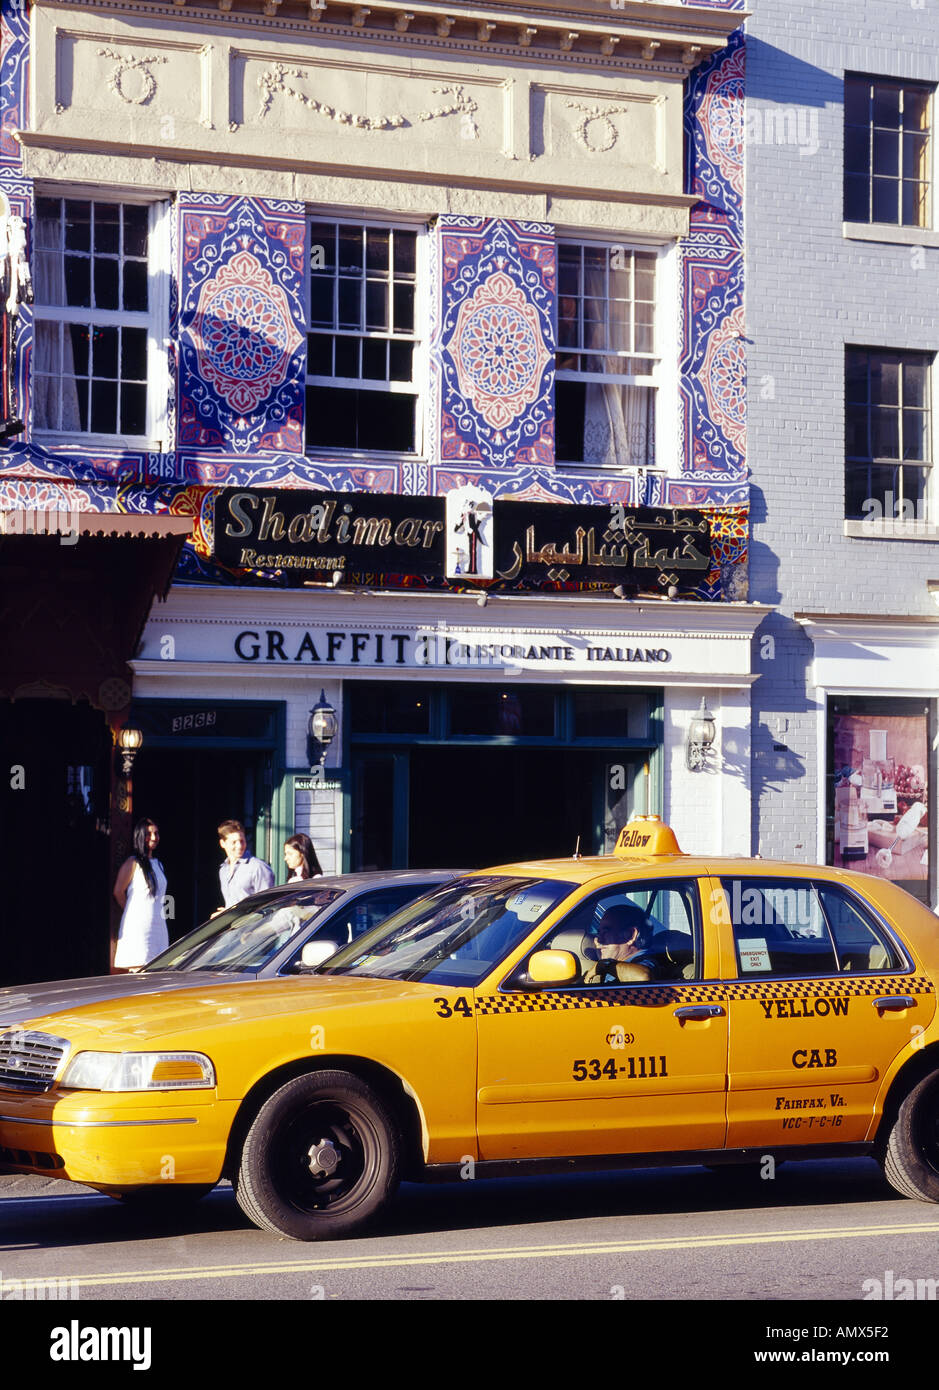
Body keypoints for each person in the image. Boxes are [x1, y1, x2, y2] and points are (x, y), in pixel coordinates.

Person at [113, 818, 168, 971]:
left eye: (156, 833)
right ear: (140, 836)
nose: (153, 837)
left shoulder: (159, 864)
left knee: (158, 971)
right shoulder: (133, 863)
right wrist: (134, 912)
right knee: (139, 972)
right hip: (139, 927)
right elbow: (118, 892)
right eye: (149, 833)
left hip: (159, 925)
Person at [583, 903, 658, 984]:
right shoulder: (618, 965)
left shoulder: (646, 960)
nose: (599, 940)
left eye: (606, 931)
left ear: (631, 935)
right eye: (599, 933)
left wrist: (604, 965)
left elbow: (644, 977)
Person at [217, 819, 274, 910]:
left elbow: (266, 906)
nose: (239, 846)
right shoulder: (223, 870)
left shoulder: (258, 868)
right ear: (222, 843)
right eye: (234, 842)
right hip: (234, 924)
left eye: (242, 841)